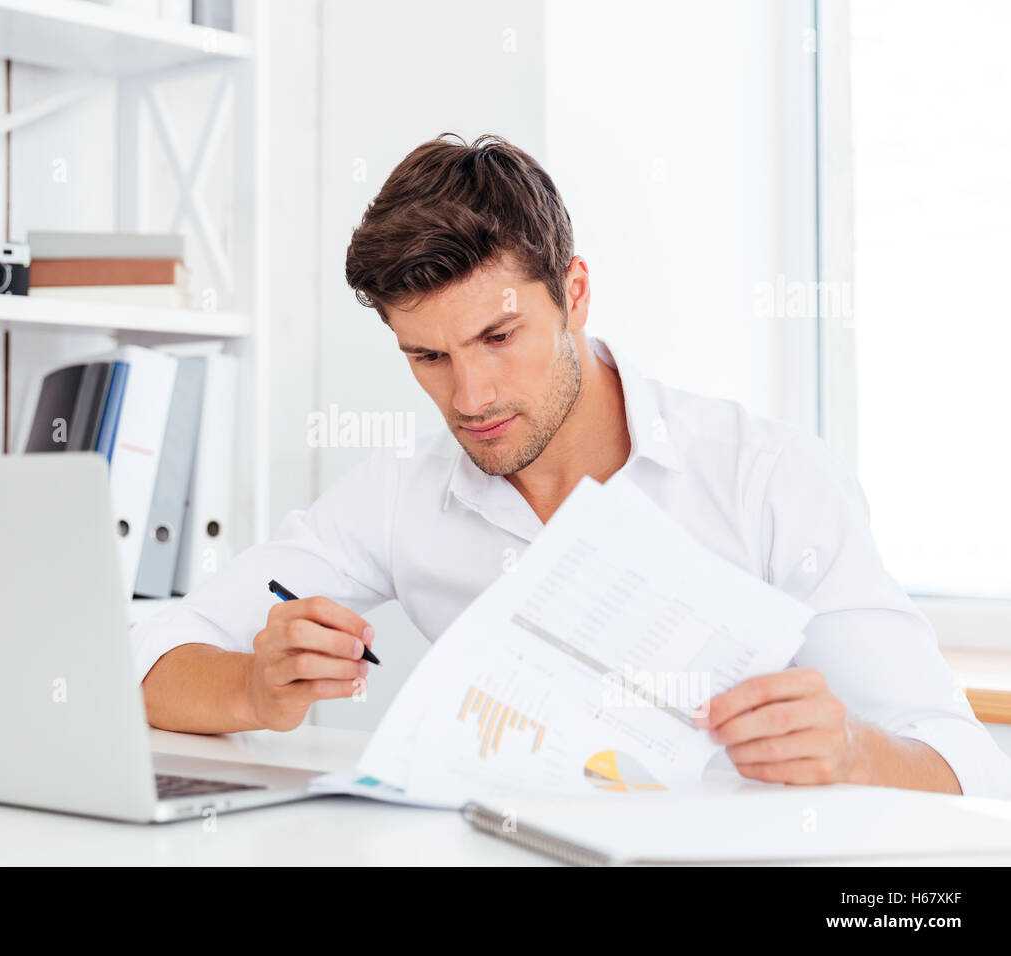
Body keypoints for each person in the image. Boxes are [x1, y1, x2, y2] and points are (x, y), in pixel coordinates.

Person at [138, 132, 1011, 798]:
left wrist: (853, 754)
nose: (470, 396)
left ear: (575, 294)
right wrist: (255, 689)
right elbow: (148, 653)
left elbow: (968, 764)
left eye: (499, 336)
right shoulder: (403, 494)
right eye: (427, 358)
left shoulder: (767, 480)